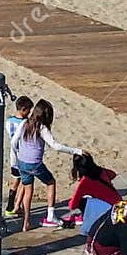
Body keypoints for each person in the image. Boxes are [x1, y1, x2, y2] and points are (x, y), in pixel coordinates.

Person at [11, 98, 82, 231]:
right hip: (35, 164)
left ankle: (26, 223)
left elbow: (14, 141)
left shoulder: (25, 123)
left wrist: (17, 156)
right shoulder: (42, 128)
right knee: (50, 182)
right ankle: (51, 215)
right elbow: (55, 146)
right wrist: (75, 151)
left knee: (28, 190)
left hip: (22, 162)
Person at [65, 152, 122, 231]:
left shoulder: (85, 182)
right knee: (92, 198)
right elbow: (113, 174)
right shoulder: (101, 171)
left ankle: (88, 217)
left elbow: (72, 205)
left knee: (82, 201)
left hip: (110, 211)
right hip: (120, 204)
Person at [4, 95, 33, 216]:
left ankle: (10, 206)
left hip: (13, 154)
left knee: (15, 180)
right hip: (23, 153)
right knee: (24, 181)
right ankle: (16, 206)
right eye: (28, 111)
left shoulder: (9, 121)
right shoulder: (26, 123)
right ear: (23, 109)